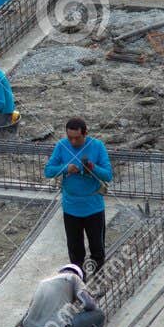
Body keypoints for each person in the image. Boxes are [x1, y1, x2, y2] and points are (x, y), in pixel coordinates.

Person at [45, 116, 112, 274]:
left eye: (77, 138)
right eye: (70, 138)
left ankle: (98, 278)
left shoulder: (97, 146)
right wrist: (65, 168)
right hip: (71, 209)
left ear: (85, 133)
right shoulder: (62, 146)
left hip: (93, 208)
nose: (73, 142)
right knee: (75, 252)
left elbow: (108, 175)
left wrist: (91, 167)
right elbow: (48, 171)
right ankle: (79, 281)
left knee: (97, 249)